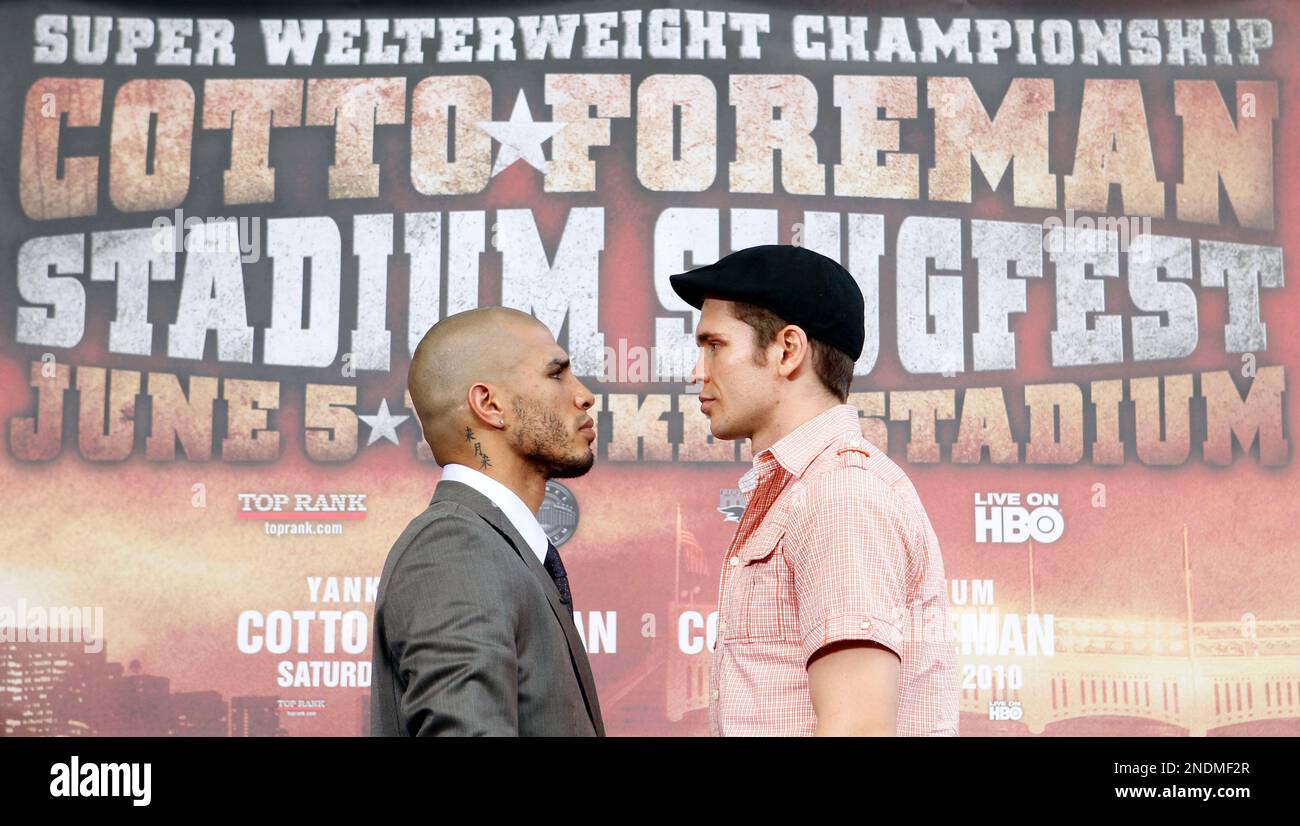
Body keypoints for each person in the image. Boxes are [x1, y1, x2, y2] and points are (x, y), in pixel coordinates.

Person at [670, 244, 959, 736]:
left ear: (787, 350)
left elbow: (858, 730)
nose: (698, 371)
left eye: (714, 345)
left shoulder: (840, 495)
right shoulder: (804, 489)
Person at [370, 306, 604, 736]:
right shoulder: (455, 551)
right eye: (557, 374)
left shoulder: (491, 546)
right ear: (490, 405)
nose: (584, 394)